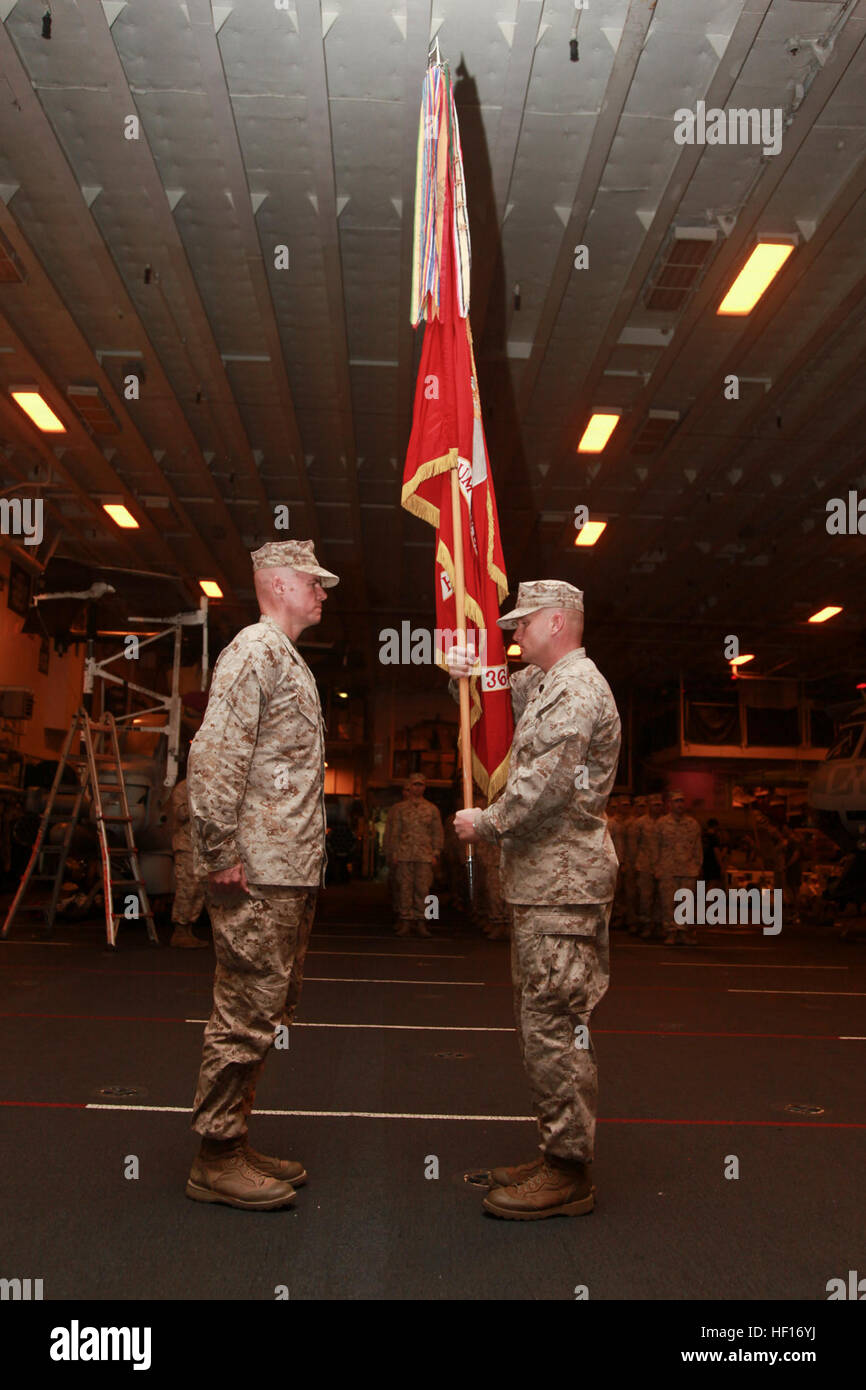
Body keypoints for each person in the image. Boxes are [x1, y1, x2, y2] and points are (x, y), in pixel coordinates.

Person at [449, 580, 621, 1220]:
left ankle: (568, 1172)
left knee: (555, 1026)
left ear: (556, 623)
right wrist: (464, 673)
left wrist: (486, 823)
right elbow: (497, 697)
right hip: (547, 885)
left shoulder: (576, 691)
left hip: (563, 887)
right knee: (542, 1023)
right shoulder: (550, 684)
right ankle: (556, 1153)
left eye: (523, 623)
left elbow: (546, 786)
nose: (514, 633)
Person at [184, 539, 338, 1212]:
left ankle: (234, 1139)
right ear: (278, 584)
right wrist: (219, 851)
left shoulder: (284, 656)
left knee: (265, 1008)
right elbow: (216, 755)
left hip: (285, 870)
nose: (322, 592)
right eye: (313, 581)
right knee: (244, 1011)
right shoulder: (254, 650)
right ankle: (215, 1156)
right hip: (257, 871)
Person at [383, 773, 444, 937]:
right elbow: (395, 832)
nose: (418, 788)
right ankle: (406, 920)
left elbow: (437, 833)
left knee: (423, 890)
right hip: (404, 854)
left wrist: (436, 853)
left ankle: (422, 922)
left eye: (420, 785)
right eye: (415, 785)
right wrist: (394, 852)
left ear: (425, 787)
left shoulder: (432, 809)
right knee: (404, 889)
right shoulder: (400, 809)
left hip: (424, 856)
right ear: (409, 787)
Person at [656, 790, 703, 946]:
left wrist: (697, 865)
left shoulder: (692, 824)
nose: (680, 804)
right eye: (676, 801)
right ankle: (670, 932)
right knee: (668, 903)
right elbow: (656, 847)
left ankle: (682, 931)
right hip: (667, 869)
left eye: (682, 801)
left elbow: (697, 847)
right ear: (670, 804)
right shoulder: (662, 823)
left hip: (688, 869)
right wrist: (656, 867)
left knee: (685, 902)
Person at [168, 776, 209, 949]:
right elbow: (181, 814)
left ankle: (188, 929)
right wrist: (201, 798)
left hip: (202, 846)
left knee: (199, 889)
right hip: (186, 845)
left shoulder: (207, 784)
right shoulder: (183, 787)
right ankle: (180, 930)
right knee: (187, 888)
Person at [637, 793, 665, 940]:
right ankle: (646, 924)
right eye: (655, 805)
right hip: (645, 865)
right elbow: (635, 845)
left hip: (663, 865)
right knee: (645, 898)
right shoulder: (640, 823)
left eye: (659, 805)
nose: (657, 808)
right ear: (649, 806)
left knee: (661, 898)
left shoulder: (665, 822)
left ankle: (659, 924)